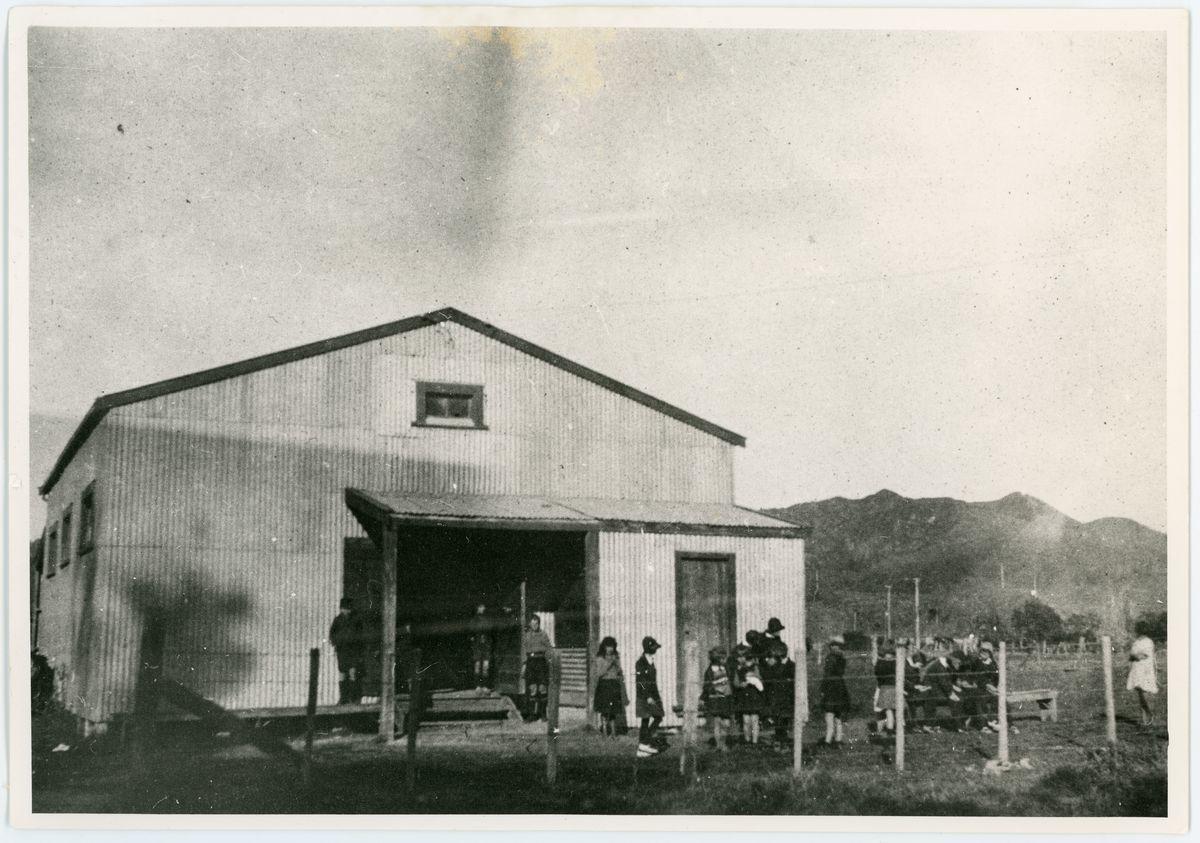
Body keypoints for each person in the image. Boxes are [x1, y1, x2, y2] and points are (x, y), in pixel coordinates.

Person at [635, 636, 666, 757]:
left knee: (659, 716)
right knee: (645, 719)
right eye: (654, 647)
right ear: (649, 648)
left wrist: (656, 697)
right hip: (644, 696)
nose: (656, 649)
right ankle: (643, 746)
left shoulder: (651, 661)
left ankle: (644, 743)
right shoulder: (640, 662)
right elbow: (641, 682)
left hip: (653, 695)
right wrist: (647, 696)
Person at [329, 597, 364, 704]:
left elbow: (361, 635)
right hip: (342, 651)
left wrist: (359, 649)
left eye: (348, 609)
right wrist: (336, 642)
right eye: (344, 609)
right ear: (341, 609)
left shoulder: (356, 620)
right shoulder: (337, 620)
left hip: (353, 650)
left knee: (353, 672)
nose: (346, 611)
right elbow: (332, 634)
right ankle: (343, 698)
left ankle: (353, 698)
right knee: (342, 673)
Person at [593, 636, 629, 737]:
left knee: (613, 710)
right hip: (604, 685)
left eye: (612, 646)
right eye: (608, 646)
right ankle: (605, 732)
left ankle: (613, 733)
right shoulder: (600, 658)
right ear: (604, 647)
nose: (610, 649)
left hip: (614, 685)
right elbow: (599, 673)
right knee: (604, 710)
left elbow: (619, 672)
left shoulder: (615, 657)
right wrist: (609, 664)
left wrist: (618, 668)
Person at [762, 640, 794, 749]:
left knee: (784, 721)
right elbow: (771, 678)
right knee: (778, 721)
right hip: (776, 698)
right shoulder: (775, 666)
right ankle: (779, 742)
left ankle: (783, 743)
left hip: (787, 698)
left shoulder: (791, 665)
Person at [819, 635, 850, 747]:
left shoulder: (830, 658)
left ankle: (828, 740)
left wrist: (822, 688)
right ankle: (838, 739)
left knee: (829, 714)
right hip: (840, 686)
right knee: (838, 714)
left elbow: (827, 674)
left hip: (831, 686)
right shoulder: (842, 658)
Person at [701, 645, 733, 750]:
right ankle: (719, 745)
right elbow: (706, 686)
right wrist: (714, 689)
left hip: (725, 698)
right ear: (718, 659)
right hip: (715, 699)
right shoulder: (710, 671)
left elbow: (730, 680)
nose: (725, 660)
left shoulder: (726, 668)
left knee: (726, 723)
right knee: (717, 722)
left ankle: (723, 742)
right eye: (723, 658)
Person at [1127, 622, 1159, 726]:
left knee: (1145, 693)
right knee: (1140, 695)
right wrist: (1134, 655)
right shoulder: (1136, 642)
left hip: (1145, 670)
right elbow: (1132, 655)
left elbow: (1142, 656)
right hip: (1137, 670)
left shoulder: (1148, 642)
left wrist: (1134, 655)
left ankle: (1151, 715)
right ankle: (1145, 720)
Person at [523, 614, 554, 720]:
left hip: (541, 662)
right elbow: (524, 650)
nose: (534, 626)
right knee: (532, 688)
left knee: (542, 688)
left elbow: (549, 648)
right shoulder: (527, 635)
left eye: (536, 624)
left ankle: (543, 714)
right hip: (531, 662)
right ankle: (532, 714)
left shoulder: (543, 634)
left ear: (539, 624)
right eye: (532, 624)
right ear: (529, 624)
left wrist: (549, 660)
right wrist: (524, 664)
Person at [733, 644, 764, 746]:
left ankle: (755, 742)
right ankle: (747, 740)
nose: (741, 659)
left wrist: (754, 677)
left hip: (754, 695)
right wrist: (741, 684)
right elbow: (735, 683)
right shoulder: (738, 669)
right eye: (739, 657)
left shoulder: (755, 667)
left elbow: (760, 680)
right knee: (746, 720)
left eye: (743, 657)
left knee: (754, 719)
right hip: (744, 696)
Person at [873, 644, 897, 738]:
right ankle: (889, 730)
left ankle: (883, 731)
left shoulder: (881, 663)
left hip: (884, 688)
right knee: (889, 710)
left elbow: (878, 676)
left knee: (884, 710)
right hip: (893, 687)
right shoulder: (895, 662)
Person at [469, 604, 492, 694]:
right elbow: (471, 632)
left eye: (483, 607)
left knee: (486, 666)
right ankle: (478, 686)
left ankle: (485, 686)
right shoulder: (474, 620)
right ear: (477, 608)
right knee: (477, 666)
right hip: (477, 646)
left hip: (486, 646)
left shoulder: (487, 620)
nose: (483, 608)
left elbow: (490, 631)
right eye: (481, 607)